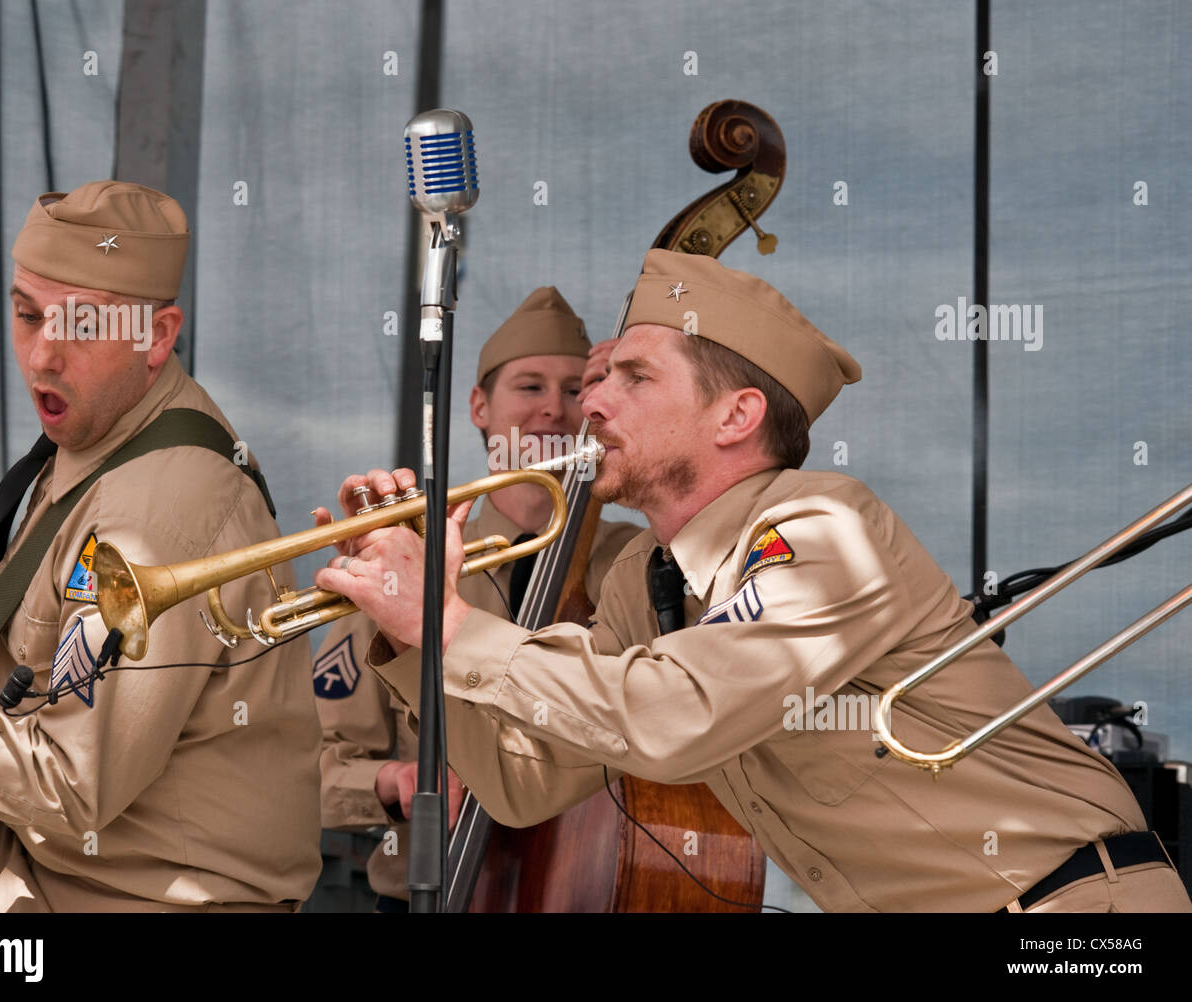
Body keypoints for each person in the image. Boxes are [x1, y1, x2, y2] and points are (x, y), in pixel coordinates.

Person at [315, 249, 1192, 913]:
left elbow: (674, 713)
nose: (591, 403)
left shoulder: (823, 528)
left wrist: (449, 624)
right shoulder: (647, 584)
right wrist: (405, 629)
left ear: (737, 416)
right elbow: (522, 781)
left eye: (635, 376)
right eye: (601, 378)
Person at [0, 180, 321, 912]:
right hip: (48, 857)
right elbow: (3, 666)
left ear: (155, 337)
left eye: (81, 327)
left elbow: (70, 784)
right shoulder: (98, 440)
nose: (41, 358)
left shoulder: (160, 511)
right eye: (27, 316)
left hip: (131, 892)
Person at [313, 287, 638, 911]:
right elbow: (310, 766)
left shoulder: (643, 557)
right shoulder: (409, 557)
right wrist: (394, 781)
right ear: (479, 406)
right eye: (530, 387)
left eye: (576, 391)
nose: (554, 410)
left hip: (592, 889)